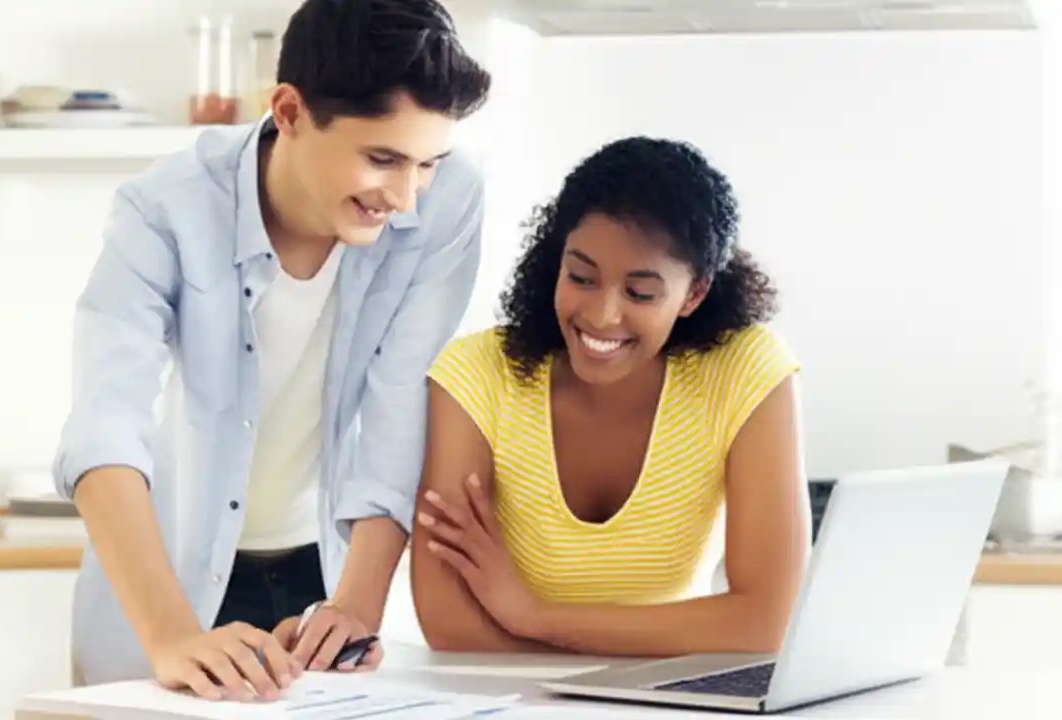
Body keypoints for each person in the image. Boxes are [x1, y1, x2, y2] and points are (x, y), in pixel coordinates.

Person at [52, 0, 490, 700]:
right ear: (288, 111)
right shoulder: (164, 209)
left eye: (428, 163)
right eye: (382, 159)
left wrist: (357, 605)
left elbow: (399, 403)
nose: (406, 198)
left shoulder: (449, 202)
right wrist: (169, 635)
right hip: (161, 583)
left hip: (320, 580)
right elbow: (106, 424)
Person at [411, 136, 811, 656]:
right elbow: (449, 624)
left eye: (641, 293)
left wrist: (532, 618)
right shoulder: (477, 375)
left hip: (669, 702)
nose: (602, 316)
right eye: (581, 276)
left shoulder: (746, 371)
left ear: (694, 294)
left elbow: (762, 624)